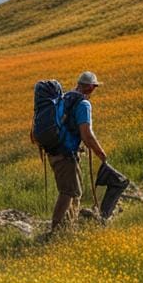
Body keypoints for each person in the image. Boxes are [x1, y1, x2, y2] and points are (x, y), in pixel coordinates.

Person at [48, 71, 108, 231]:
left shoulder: (64, 98)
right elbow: (86, 134)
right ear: (90, 87)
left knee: (73, 191)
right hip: (66, 154)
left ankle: (67, 225)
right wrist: (100, 153)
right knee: (69, 192)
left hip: (54, 151)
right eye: (94, 87)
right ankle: (57, 230)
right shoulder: (83, 104)